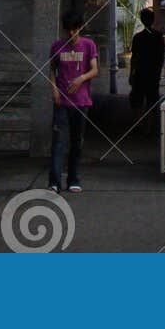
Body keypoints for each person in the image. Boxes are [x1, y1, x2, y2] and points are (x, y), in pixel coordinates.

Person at [48, 10, 98, 194]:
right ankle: (54, 181)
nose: (71, 34)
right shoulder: (57, 46)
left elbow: (94, 70)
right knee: (59, 141)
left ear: (80, 28)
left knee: (77, 141)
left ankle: (73, 179)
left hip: (82, 101)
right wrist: (53, 88)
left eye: (74, 30)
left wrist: (81, 78)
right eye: (68, 30)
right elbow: (52, 70)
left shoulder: (88, 45)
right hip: (62, 101)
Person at [128, 8, 165, 116]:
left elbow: (134, 58)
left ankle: (140, 123)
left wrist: (131, 73)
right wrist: (158, 71)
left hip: (140, 72)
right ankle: (150, 125)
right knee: (152, 100)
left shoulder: (137, 37)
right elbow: (161, 57)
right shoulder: (158, 36)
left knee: (137, 99)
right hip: (152, 73)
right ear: (153, 20)